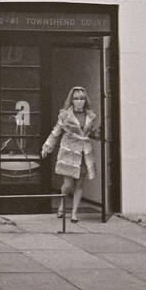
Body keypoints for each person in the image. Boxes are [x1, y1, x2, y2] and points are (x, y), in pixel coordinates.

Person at [40, 86, 99, 223]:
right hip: (69, 153)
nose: (79, 101)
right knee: (67, 185)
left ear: (85, 100)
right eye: (76, 99)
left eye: (82, 99)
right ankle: (62, 205)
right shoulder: (65, 116)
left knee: (79, 185)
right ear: (71, 100)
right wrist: (47, 147)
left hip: (84, 153)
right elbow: (56, 132)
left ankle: (74, 213)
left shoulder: (90, 116)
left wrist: (99, 134)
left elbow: (91, 132)